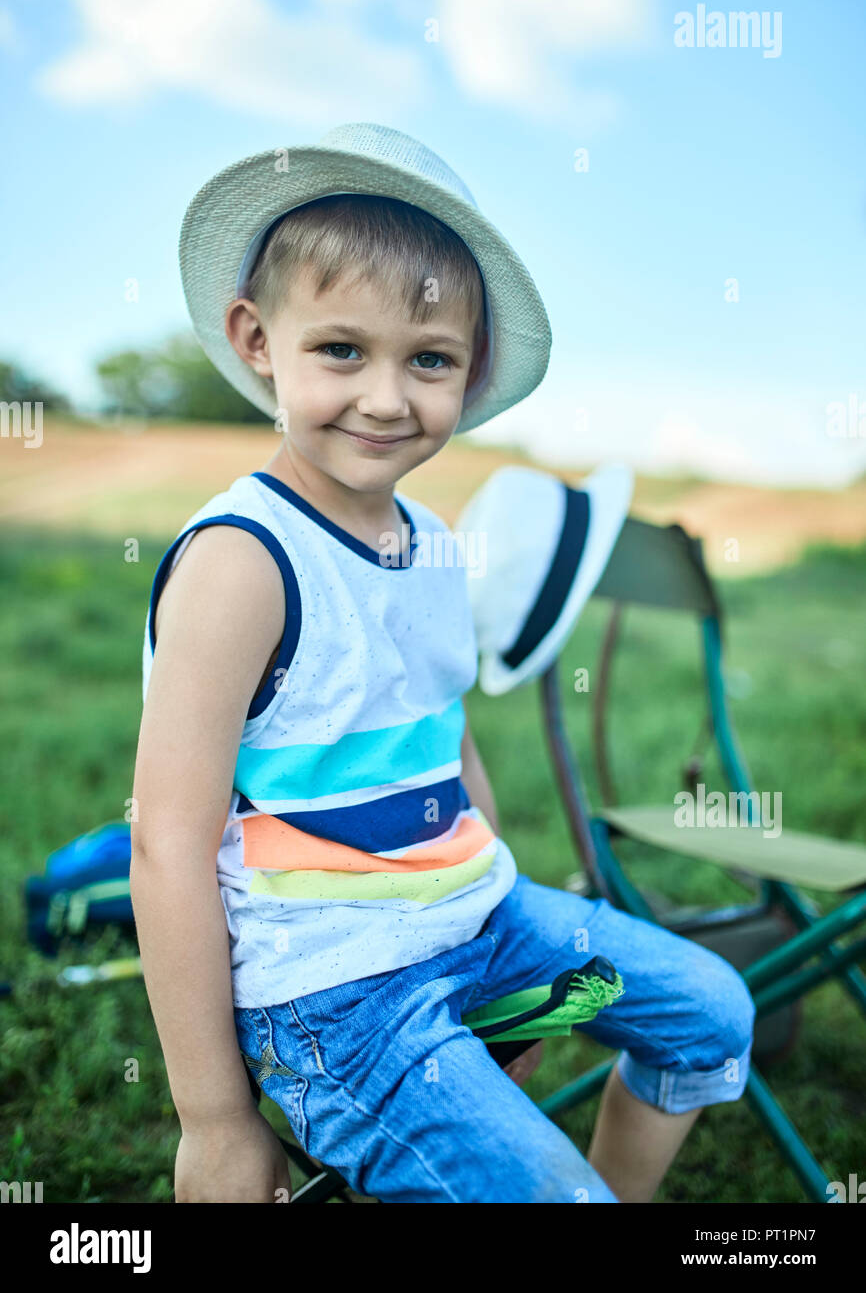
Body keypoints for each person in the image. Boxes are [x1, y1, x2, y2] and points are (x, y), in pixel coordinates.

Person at [131, 124, 756, 1204]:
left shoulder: (431, 541)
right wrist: (217, 1120)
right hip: (336, 992)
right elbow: (165, 843)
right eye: (340, 349)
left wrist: (494, 919)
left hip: (477, 917)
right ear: (254, 338)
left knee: (711, 1009)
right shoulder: (245, 563)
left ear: (469, 378)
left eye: (427, 360)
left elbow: (449, 741)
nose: (385, 397)